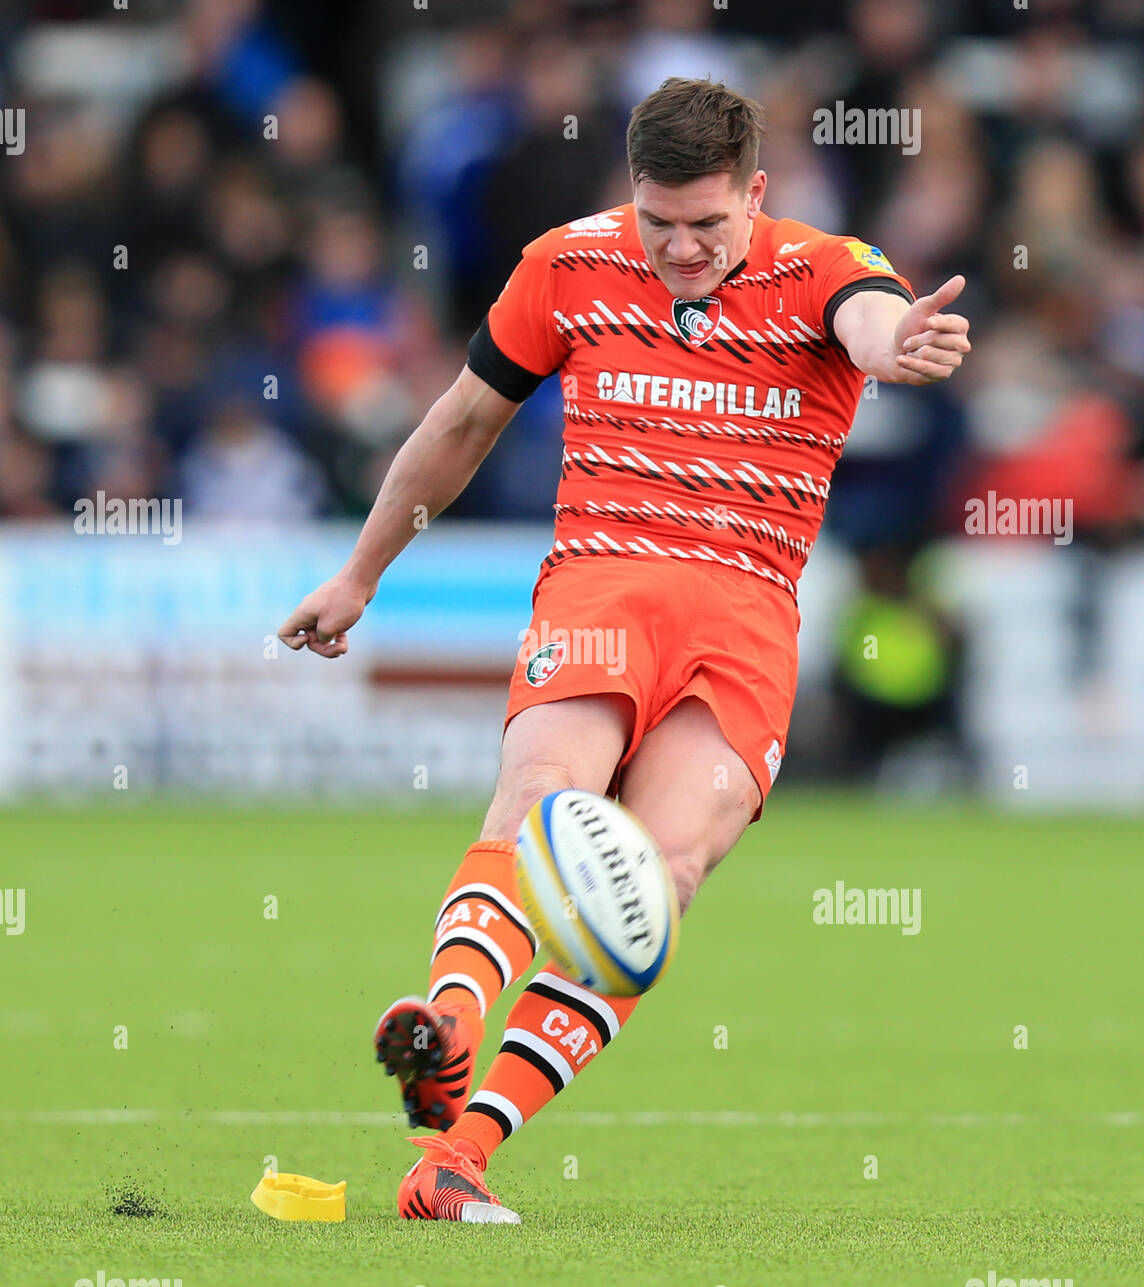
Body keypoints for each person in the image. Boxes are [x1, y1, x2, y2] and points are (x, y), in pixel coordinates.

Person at [278, 77, 971, 1223]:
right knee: (537, 800)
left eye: (708, 223)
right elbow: (460, 421)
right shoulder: (566, 262)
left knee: (659, 880)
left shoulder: (823, 265)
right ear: (629, 194)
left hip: (745, 618)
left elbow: (866, 320)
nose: (684, 248)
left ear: (755, 192)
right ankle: (450, 1022)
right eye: (661, 222)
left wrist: (893, 343)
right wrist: (359, 574)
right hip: (600, 588)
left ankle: (456, 1156)